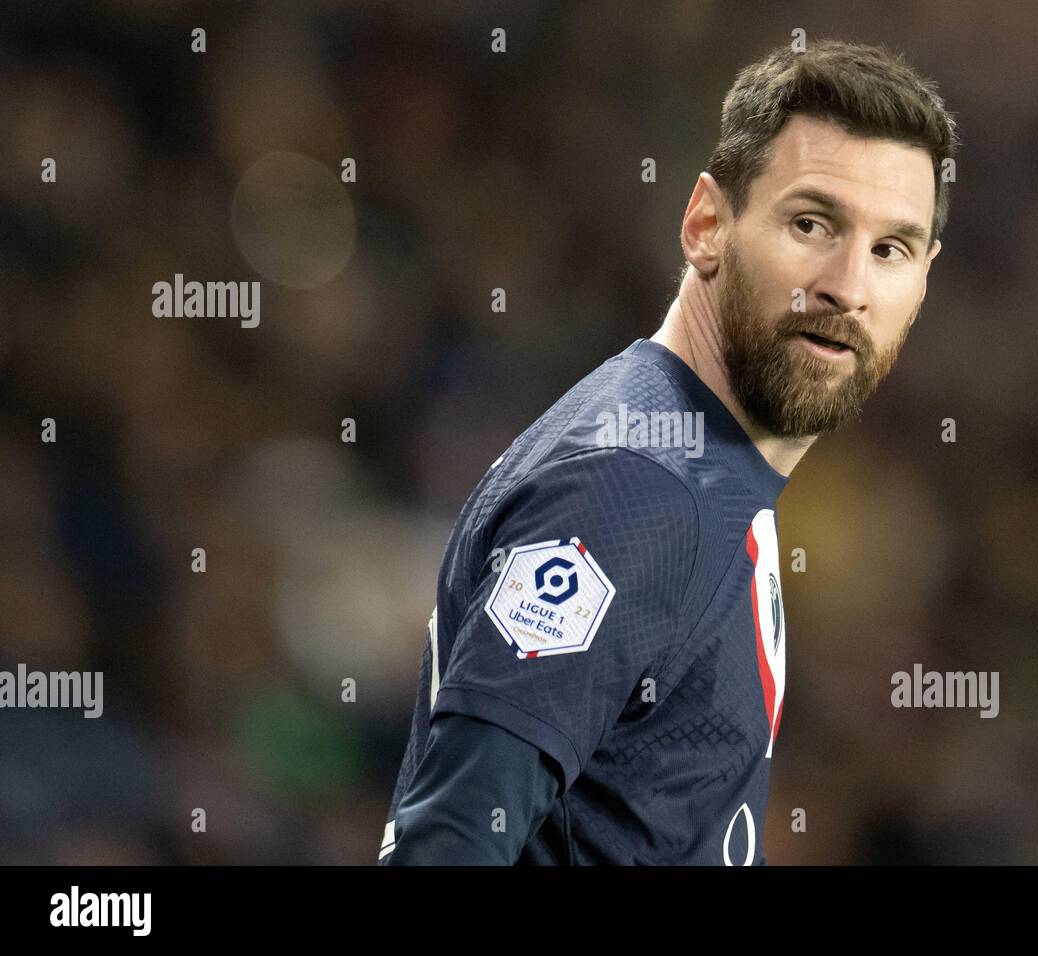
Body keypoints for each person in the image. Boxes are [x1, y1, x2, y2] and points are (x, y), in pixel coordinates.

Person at [379, 38, 958, 865]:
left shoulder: (701, 466)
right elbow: (450, 846)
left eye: (889, 249)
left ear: (923, 279)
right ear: (707, 224)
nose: (846, 285)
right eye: (810, 223)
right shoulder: (634, 489)